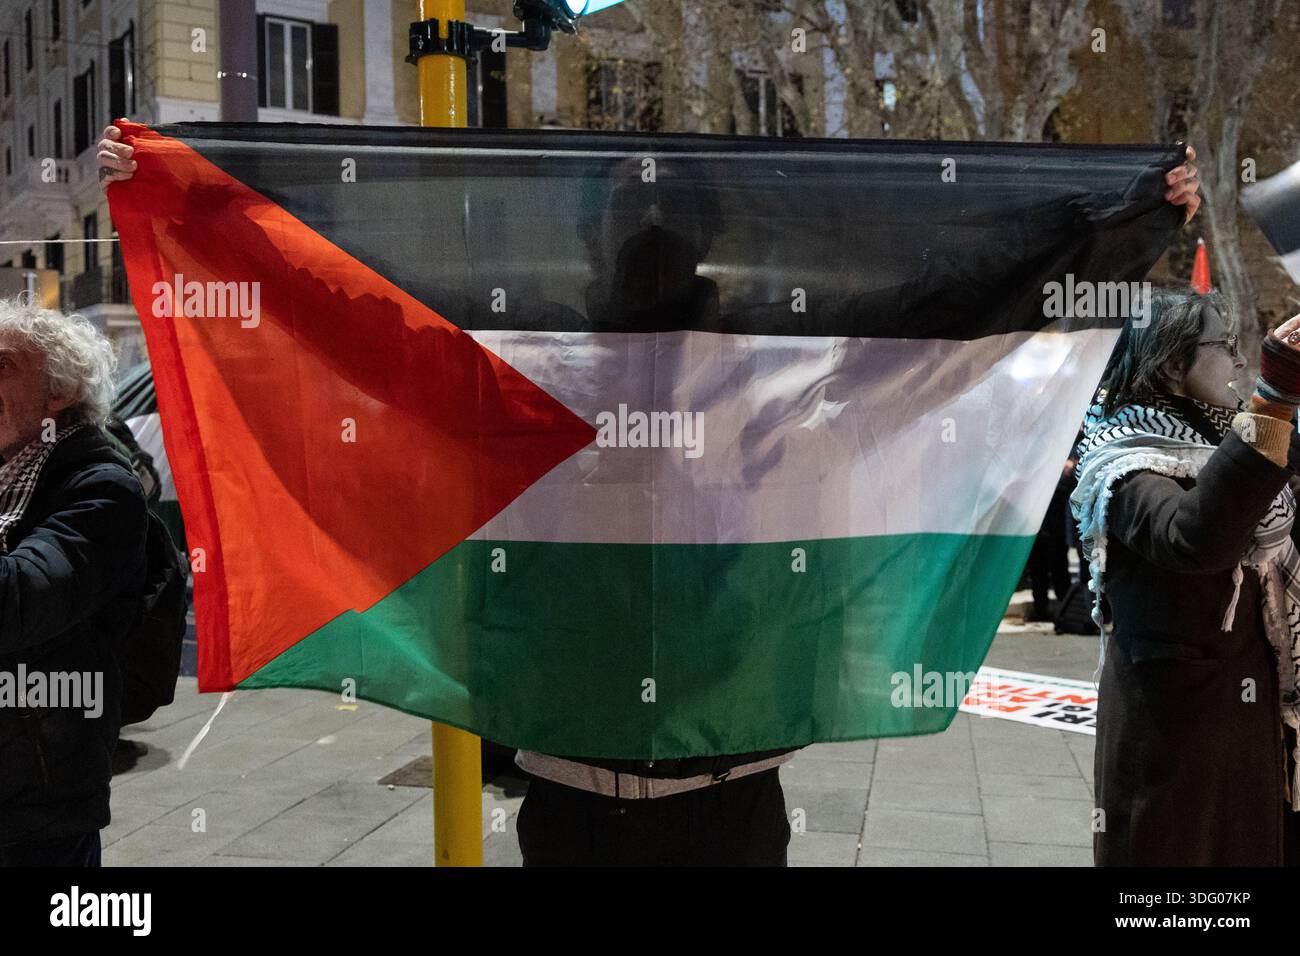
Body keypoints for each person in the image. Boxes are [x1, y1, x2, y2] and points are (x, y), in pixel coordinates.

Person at [98, 123, 1204, 866]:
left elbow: (955, 301)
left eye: (668, 220)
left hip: (730, 791)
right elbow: (344, 310)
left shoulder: (782, 351)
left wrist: (1121, 219)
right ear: (591, 235)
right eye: (627, 216)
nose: (648, 238)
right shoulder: (515, 361)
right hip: (574, 800)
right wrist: (179, 194)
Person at [1073, 289, 1300, 865]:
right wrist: (1273, 399)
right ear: (1174, 363)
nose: (1241, 361)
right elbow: (1194, 539)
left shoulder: (1220, 432)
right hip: (1171, 733)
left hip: (1247, 719)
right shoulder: (1123, 457)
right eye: (1225, 346)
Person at [0, 298, 148, 866]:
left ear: (57, 393)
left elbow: (15, 603)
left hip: (34, 805)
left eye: (3, 366)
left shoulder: (100, 488)